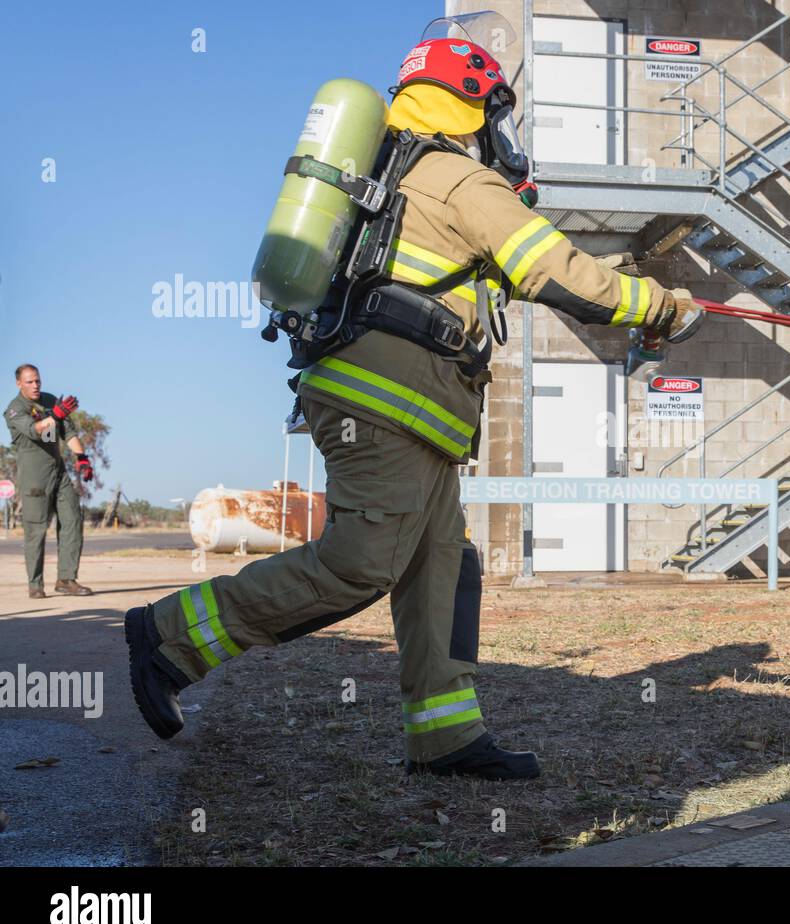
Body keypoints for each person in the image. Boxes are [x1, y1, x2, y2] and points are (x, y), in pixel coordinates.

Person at [123, 22, 701, 781]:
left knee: (439, 568)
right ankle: (169, 635)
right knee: (364, 563)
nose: (502, 132)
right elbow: (554, 272)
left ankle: (445, 736)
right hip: (386, 406)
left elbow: (480, 277)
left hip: (413, 411)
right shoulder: (459, 178)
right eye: (496, 112)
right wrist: (661, 306)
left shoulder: (398, 176)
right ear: (470, 101)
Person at [5, 364, 94, 599]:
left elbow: (69, 433)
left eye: (37, 381)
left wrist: (83, 458)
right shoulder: (14, 410)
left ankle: (66, 579)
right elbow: (35, 430)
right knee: (36, 531)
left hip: (59, 472)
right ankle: (35, 584)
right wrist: (55, 415)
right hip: (35, 478)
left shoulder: (49, 400)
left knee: (73, 519)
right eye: (30, 382)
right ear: (19, 384)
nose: (35, 385)